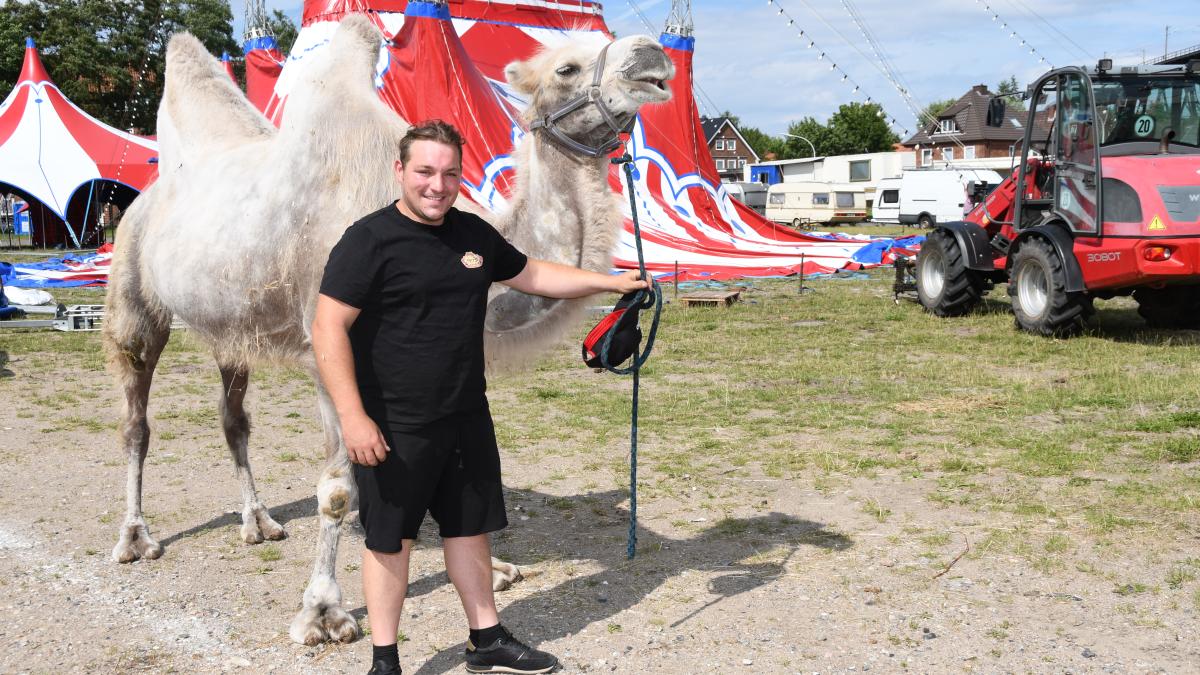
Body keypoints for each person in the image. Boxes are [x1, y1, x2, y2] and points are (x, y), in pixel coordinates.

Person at [311, 119, 649, 675]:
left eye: (448, 174)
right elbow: (328, 328)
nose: (436, 185)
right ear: (401, 171)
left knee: (469, 527)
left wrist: (609, 283)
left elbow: (534, 274)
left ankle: (485, 638)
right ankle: (384, 660)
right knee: (389, 539)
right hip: (393, 423)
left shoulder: (473, 234)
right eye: (424, 172)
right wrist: (352, 417)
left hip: (465, 414)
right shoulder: (367, 240)